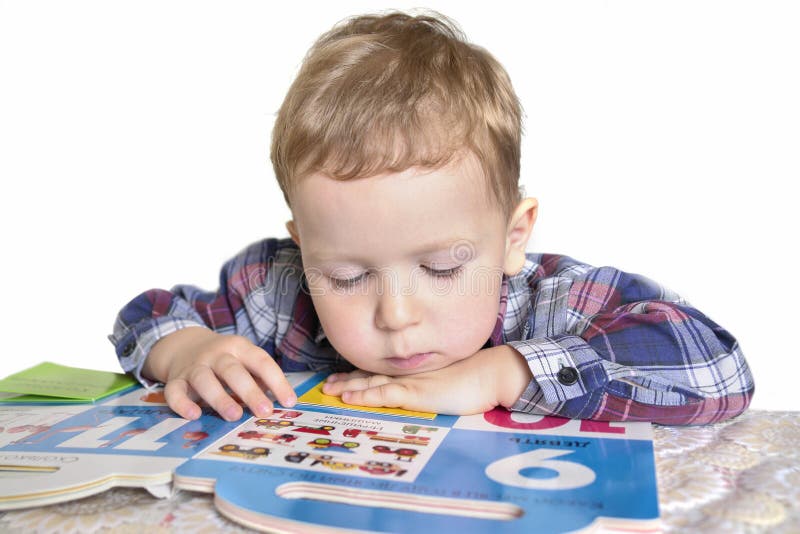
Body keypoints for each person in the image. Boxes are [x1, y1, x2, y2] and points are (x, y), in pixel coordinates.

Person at [109, 11, 754, 425]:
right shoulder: (278, 294)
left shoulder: (554, 302)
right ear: (303, 250)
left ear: (513, 237)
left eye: (443, 267)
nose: (396, 315)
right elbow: (149, 313)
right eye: (346, 277)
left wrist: (504, 373)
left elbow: (717, 367)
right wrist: (186, 350)